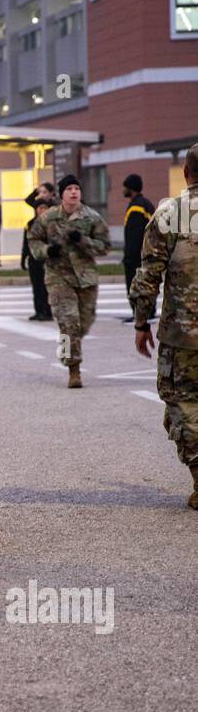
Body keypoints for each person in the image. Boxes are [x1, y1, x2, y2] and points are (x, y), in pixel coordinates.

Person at [131, 143, 198, 509]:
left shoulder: (170, 212)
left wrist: (142, 322)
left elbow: (148, 274)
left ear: (186, 174)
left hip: (182, 334)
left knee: (183, 401)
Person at [28, 173, 110, 388]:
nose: (74, 192)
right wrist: (46, 250)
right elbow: (33, 238)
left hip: (85, 278)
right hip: (58, 277)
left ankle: (66, 346)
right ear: (62, 194)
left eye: (77, 188)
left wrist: (82, 240)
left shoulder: (92, 217)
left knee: (83, 324)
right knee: (69, 322)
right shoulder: (48, 217)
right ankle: (74, 370)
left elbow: (104, 246)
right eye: (69, 189)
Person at [121, 173, 155, 322]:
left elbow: (134, 237)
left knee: (135, 285)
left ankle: (140, 313)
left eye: (125, 187)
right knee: (146, 284)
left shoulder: (136, 207)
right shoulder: (145, 204)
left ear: (131, 188)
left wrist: (129, 257)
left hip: (137, 256)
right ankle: (148, 311)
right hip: (148, 253)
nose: (123, 190)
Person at [21, 198, 53, 320]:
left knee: (46, 287)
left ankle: (47, 312)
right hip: (34, 260)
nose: (43, 210)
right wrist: (23, 258)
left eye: (45, 208)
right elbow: (25, 243)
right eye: (40, 208)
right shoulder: (29, 224)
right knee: (36, 287)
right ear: (36, 210)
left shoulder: (51, 224)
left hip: (47, 260)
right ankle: (38, 311)